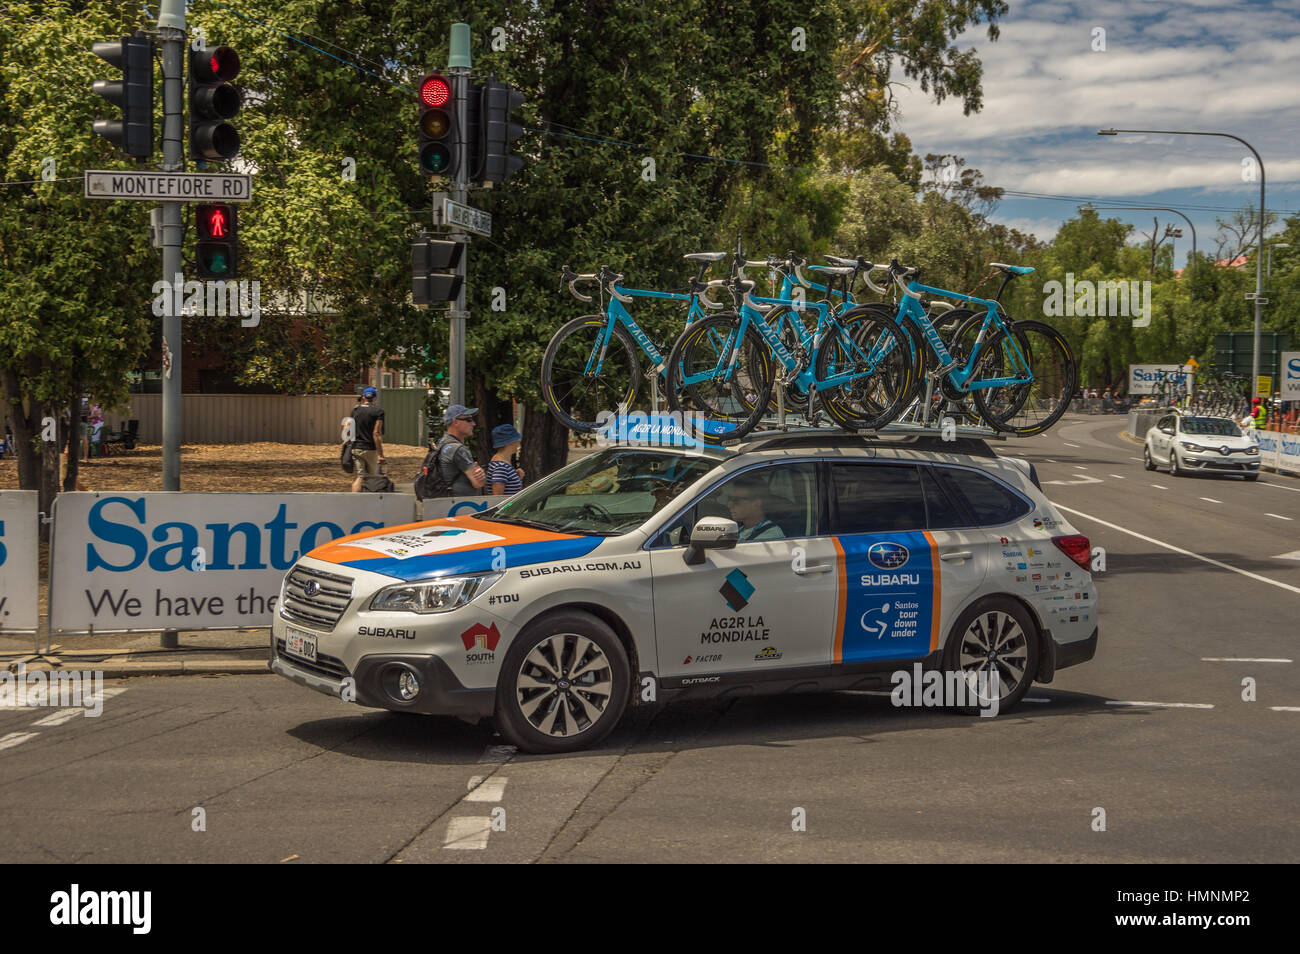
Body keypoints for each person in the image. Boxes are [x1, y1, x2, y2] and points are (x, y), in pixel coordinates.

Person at [433, 404, 487, 496]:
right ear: (456, 422)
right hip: (462, 505)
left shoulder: (442, 443)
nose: (473, 424)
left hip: (447, 502)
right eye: (468, 420)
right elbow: (478, 483)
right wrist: (481, 475)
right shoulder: (458, 449)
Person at [349, 387, 386, 492]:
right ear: (375, 398)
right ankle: (369, 503)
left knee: (360, 476)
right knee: (371, 478)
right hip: (370, 449)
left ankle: (354, 500)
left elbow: (347, 428)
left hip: (356, 448)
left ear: (364, 397)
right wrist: (380, 455)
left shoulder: (355, 411)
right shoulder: (378, 412)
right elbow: (376, 433)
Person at [726, 475, 784, 541]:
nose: (729, 505)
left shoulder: (770, 536)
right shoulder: (740, 530)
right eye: (729, 499)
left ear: (756, 503)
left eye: (736, 500)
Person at [487, 423, 525, 495]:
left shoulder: (502, 464)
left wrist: (516, 477)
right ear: (511, 442)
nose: (518, 442)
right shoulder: (501, 467)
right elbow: (498, 498)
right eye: (517, 439)